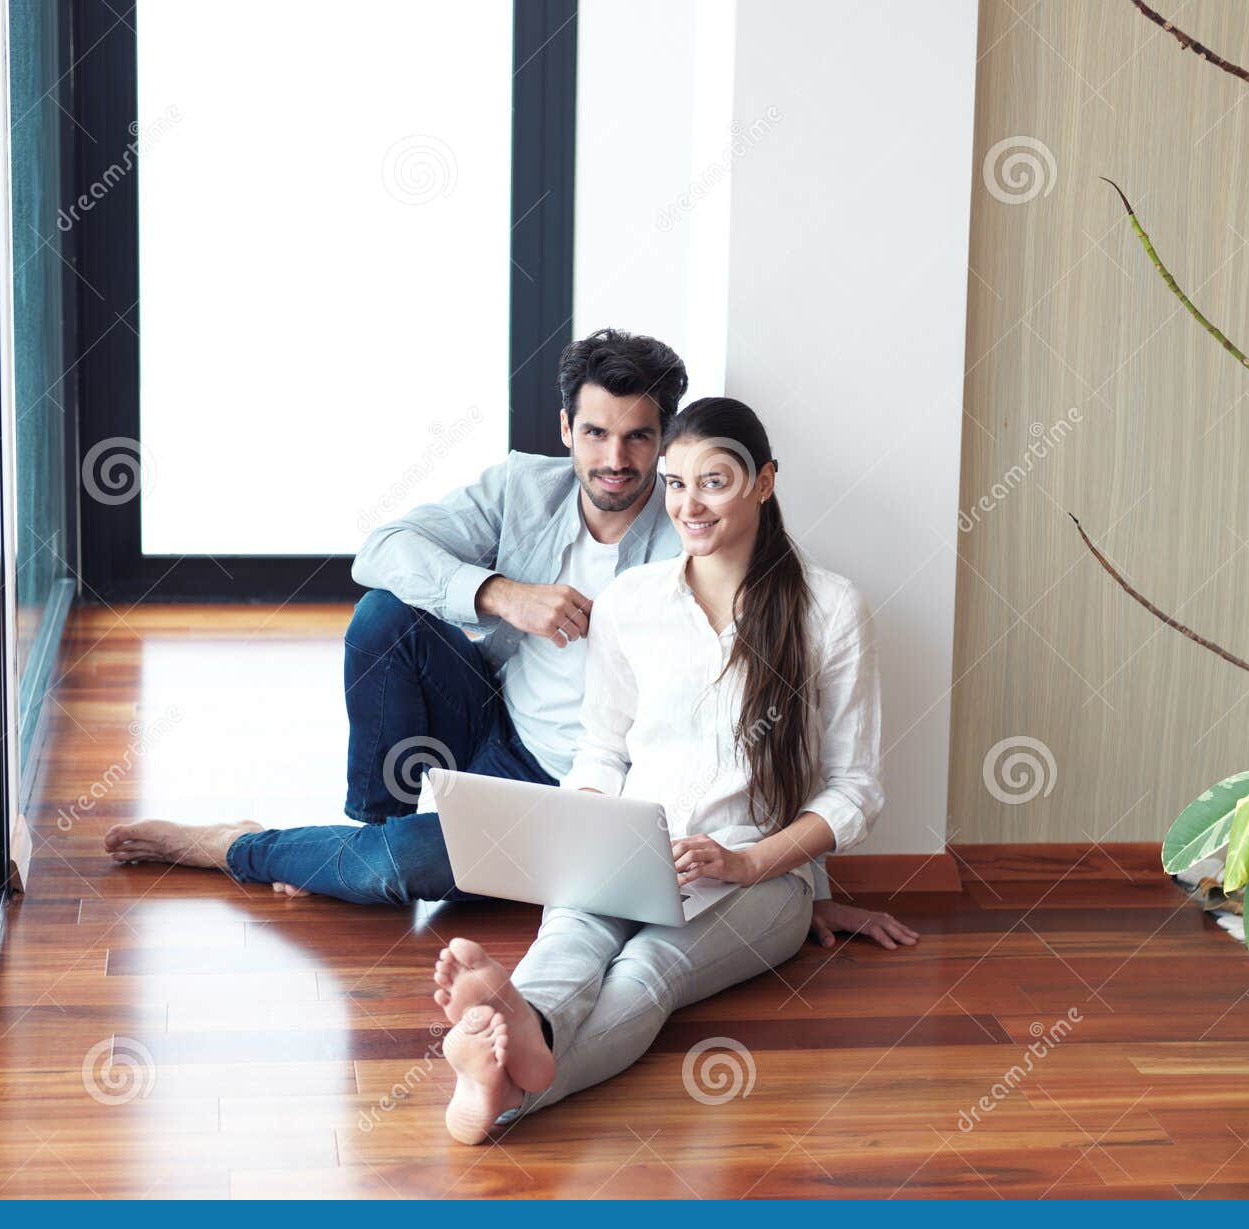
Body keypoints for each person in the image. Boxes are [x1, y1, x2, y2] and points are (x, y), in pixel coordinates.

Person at [104, 331, 916, 950]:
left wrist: (799, 885)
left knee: (397, 872)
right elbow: (379, 549)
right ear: (566, 428)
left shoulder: (700, 537)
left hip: (592, 798)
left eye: (639, 438)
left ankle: (241, 848)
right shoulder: (522, 487)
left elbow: (775, 713)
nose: (616, 459)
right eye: (596, 433)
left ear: (667, 443)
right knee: (386, 616)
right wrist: (498, 593)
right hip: (498, 732)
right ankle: (367, 828)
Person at [428, 396, 907, 1143]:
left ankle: (509, 1080)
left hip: (761, 883)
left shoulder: (831, 609)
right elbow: (601, 750)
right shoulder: (631, 601)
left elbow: (856, 788)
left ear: (764, 481)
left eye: (713, 481)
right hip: (628, 850)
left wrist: (750, 863)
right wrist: (583, 827)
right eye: (675, 484)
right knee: (570, 942)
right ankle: (519, 1038)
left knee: (647, 972)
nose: (690, 504)